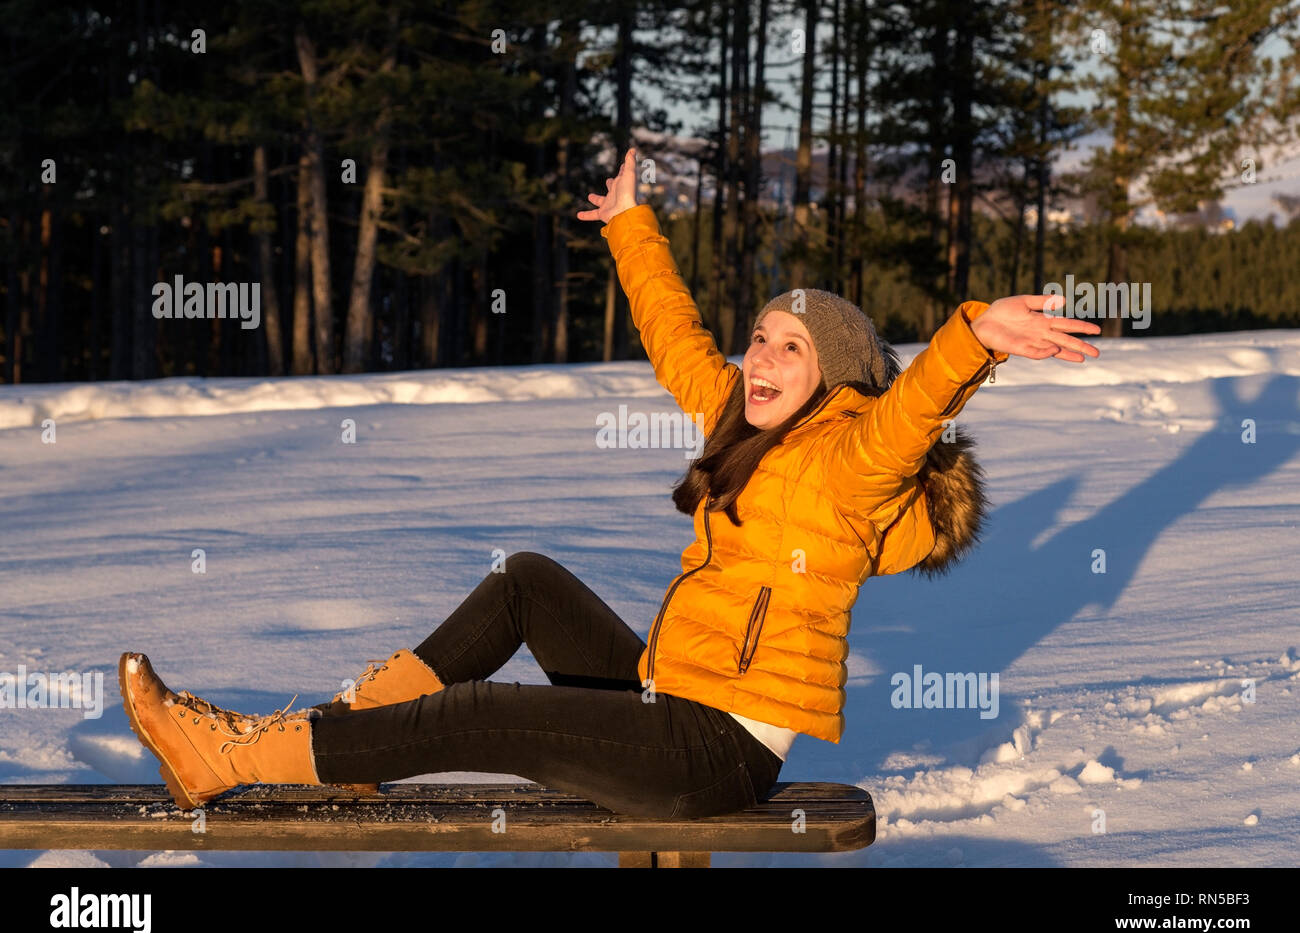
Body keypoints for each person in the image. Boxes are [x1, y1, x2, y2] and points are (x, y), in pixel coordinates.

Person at [119, 146, 1100, 820]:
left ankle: (231, 759)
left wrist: (971, 339)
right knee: (527, 582)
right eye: (760, 335)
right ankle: (354, 744)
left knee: (478, 716)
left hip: (712, 751)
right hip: (669, 702)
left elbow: (910, 414)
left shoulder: (848, 462)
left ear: (831, 380)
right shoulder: (743, 425)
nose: (759, 357)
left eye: (789, 348)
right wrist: (631, 227)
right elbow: (676, 337)